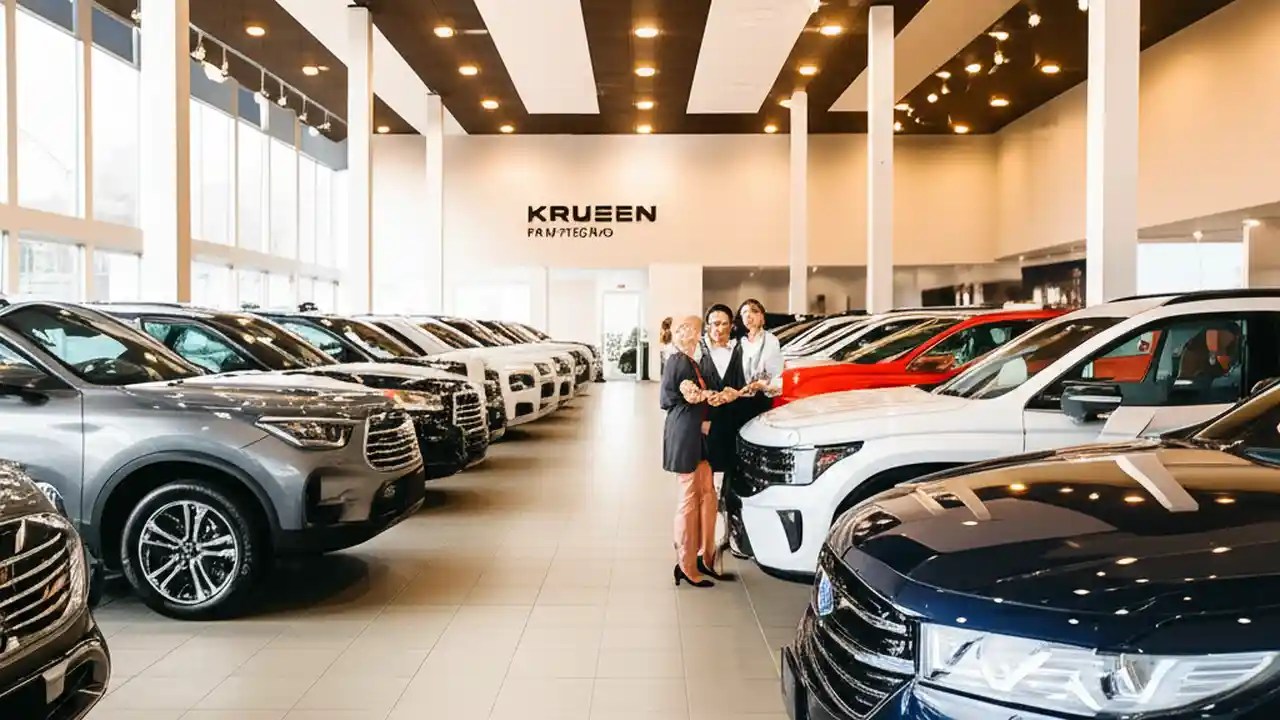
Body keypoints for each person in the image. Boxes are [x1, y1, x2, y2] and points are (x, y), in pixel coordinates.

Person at [660, 315, 728, 587]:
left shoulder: (691, 360)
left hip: (696, 434)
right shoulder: (679, 361)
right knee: (689, 497)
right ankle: (686, 565)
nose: (702, 335)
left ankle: (704, 556)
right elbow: (681, 396)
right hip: (685, 433)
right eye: (699, 330)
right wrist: (711, 396)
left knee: (706, 491)